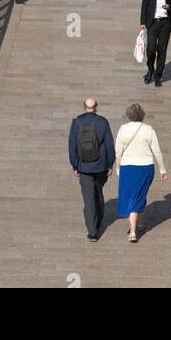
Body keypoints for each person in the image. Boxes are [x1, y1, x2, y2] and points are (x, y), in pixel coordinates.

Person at [115, 103, 167, 241]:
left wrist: (118, 167)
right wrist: (162, 168)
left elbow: (118, 151)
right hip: (145, 168)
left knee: (133, 196)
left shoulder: (123, 129)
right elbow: (156, 151)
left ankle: (133, 230)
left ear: (129, 114)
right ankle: (138, 226)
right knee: (140, 195)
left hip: (128, 167)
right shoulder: (148, 130)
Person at [69, 97, 115, 241]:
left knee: (88, 199)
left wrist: (75, 165)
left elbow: (72, 146)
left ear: (84, 107)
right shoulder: (102, 122)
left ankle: (92, 232)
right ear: (97, 107)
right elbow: (109, 145)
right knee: (98, 192)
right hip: (100, 166)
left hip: (84, 167)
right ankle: (99, 218)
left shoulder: (76, 123)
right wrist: (110, 164)